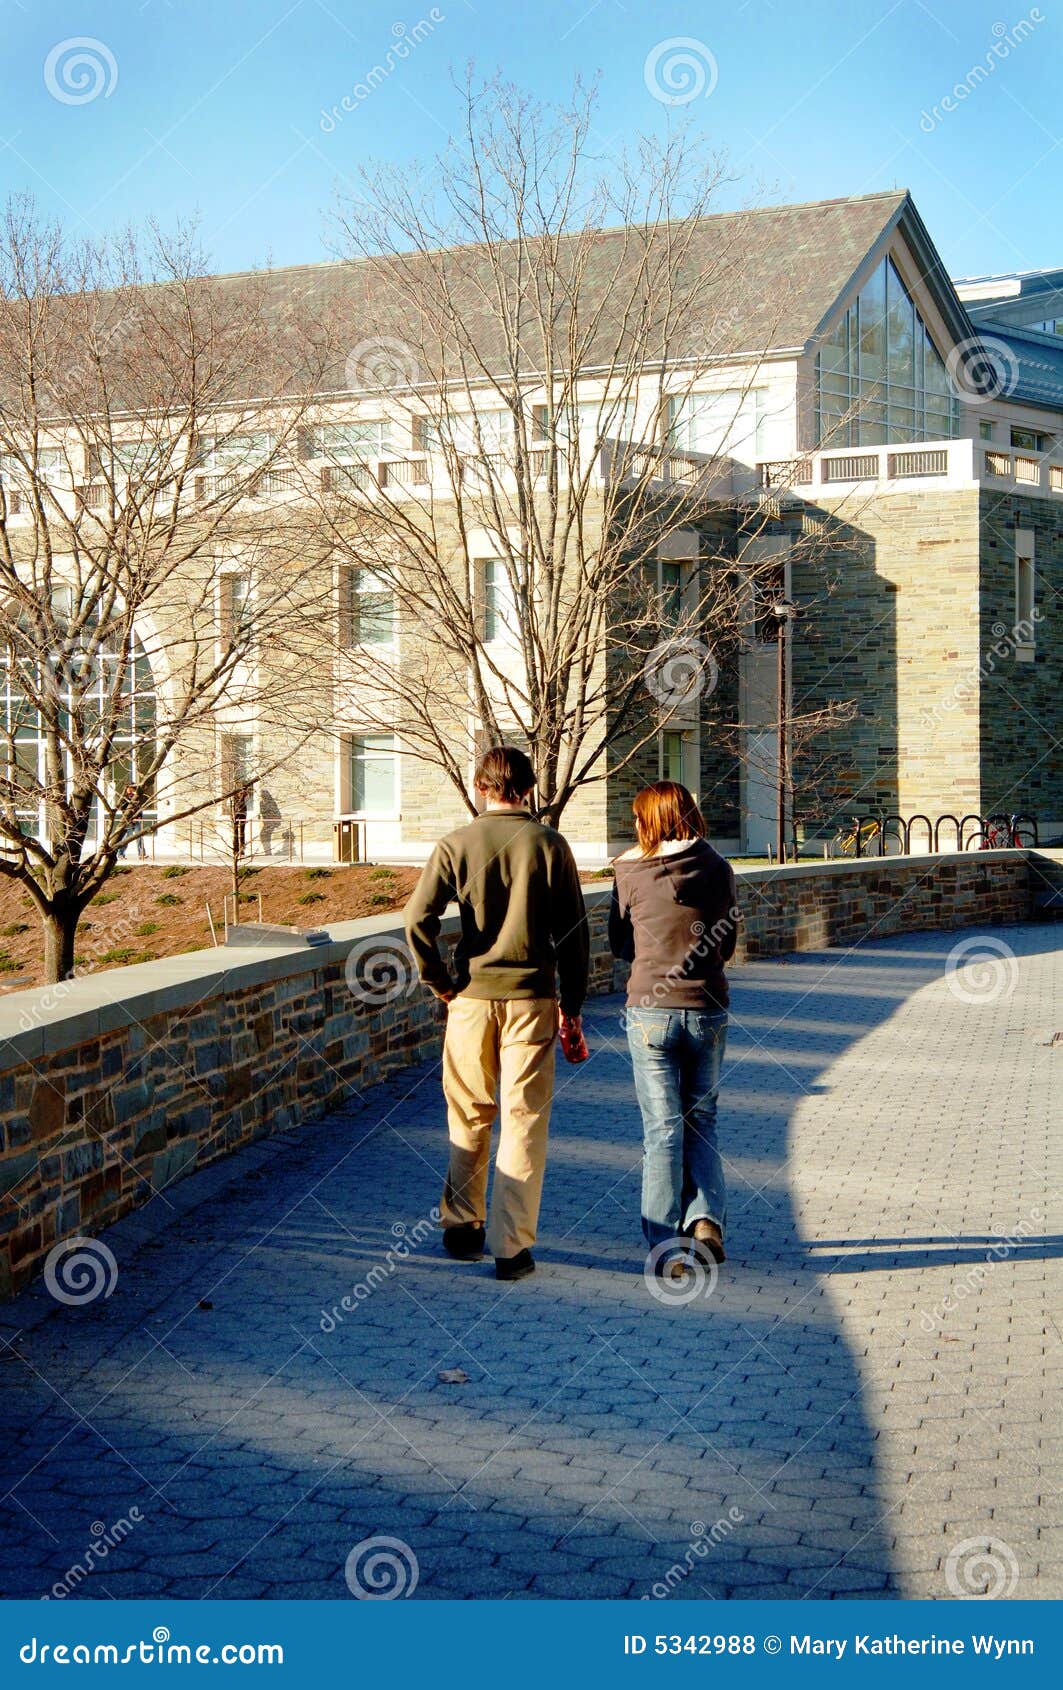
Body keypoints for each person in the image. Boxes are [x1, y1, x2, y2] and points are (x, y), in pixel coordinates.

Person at [405, 746, 590, 1283]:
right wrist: (572, 1008)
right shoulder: (550, 845)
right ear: (529, 788)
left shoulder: (456, 844)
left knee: (468, 1113)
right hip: (533, 998)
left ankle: (463, 1224)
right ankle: (512, 1248)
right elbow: (574, 936)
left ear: (482, 786)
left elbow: (418, 921)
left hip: (470, 999)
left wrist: (441, 982)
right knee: (523, 1119)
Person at [609, 781, 738, 1277]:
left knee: (662, 1131)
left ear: (651, 821)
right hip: (706, 1008)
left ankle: (666, 1245)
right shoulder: (719, 868)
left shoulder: (630, 872)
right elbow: (725, 945)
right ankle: (705, 1221)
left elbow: (619, 944)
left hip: (650, 1012)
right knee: (701, 1120)